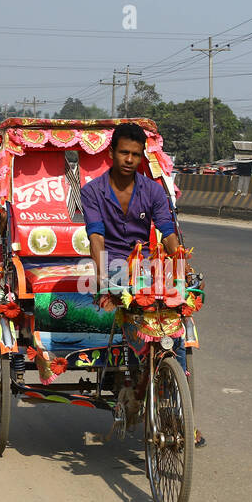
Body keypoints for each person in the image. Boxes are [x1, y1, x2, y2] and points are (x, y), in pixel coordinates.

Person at [81, 121, 205, 447]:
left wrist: (181, 266)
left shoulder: (152, 191)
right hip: (113, 268)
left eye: (136, 154)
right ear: (112, 152)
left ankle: (179, 411)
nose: (129, 159)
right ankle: (131, 378)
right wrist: (101, 275)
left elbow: (167, 233)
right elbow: (95, 236)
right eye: (124, 152)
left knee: (175, 329)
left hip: (146, 268)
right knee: (131, 326)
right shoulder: (92, 191)